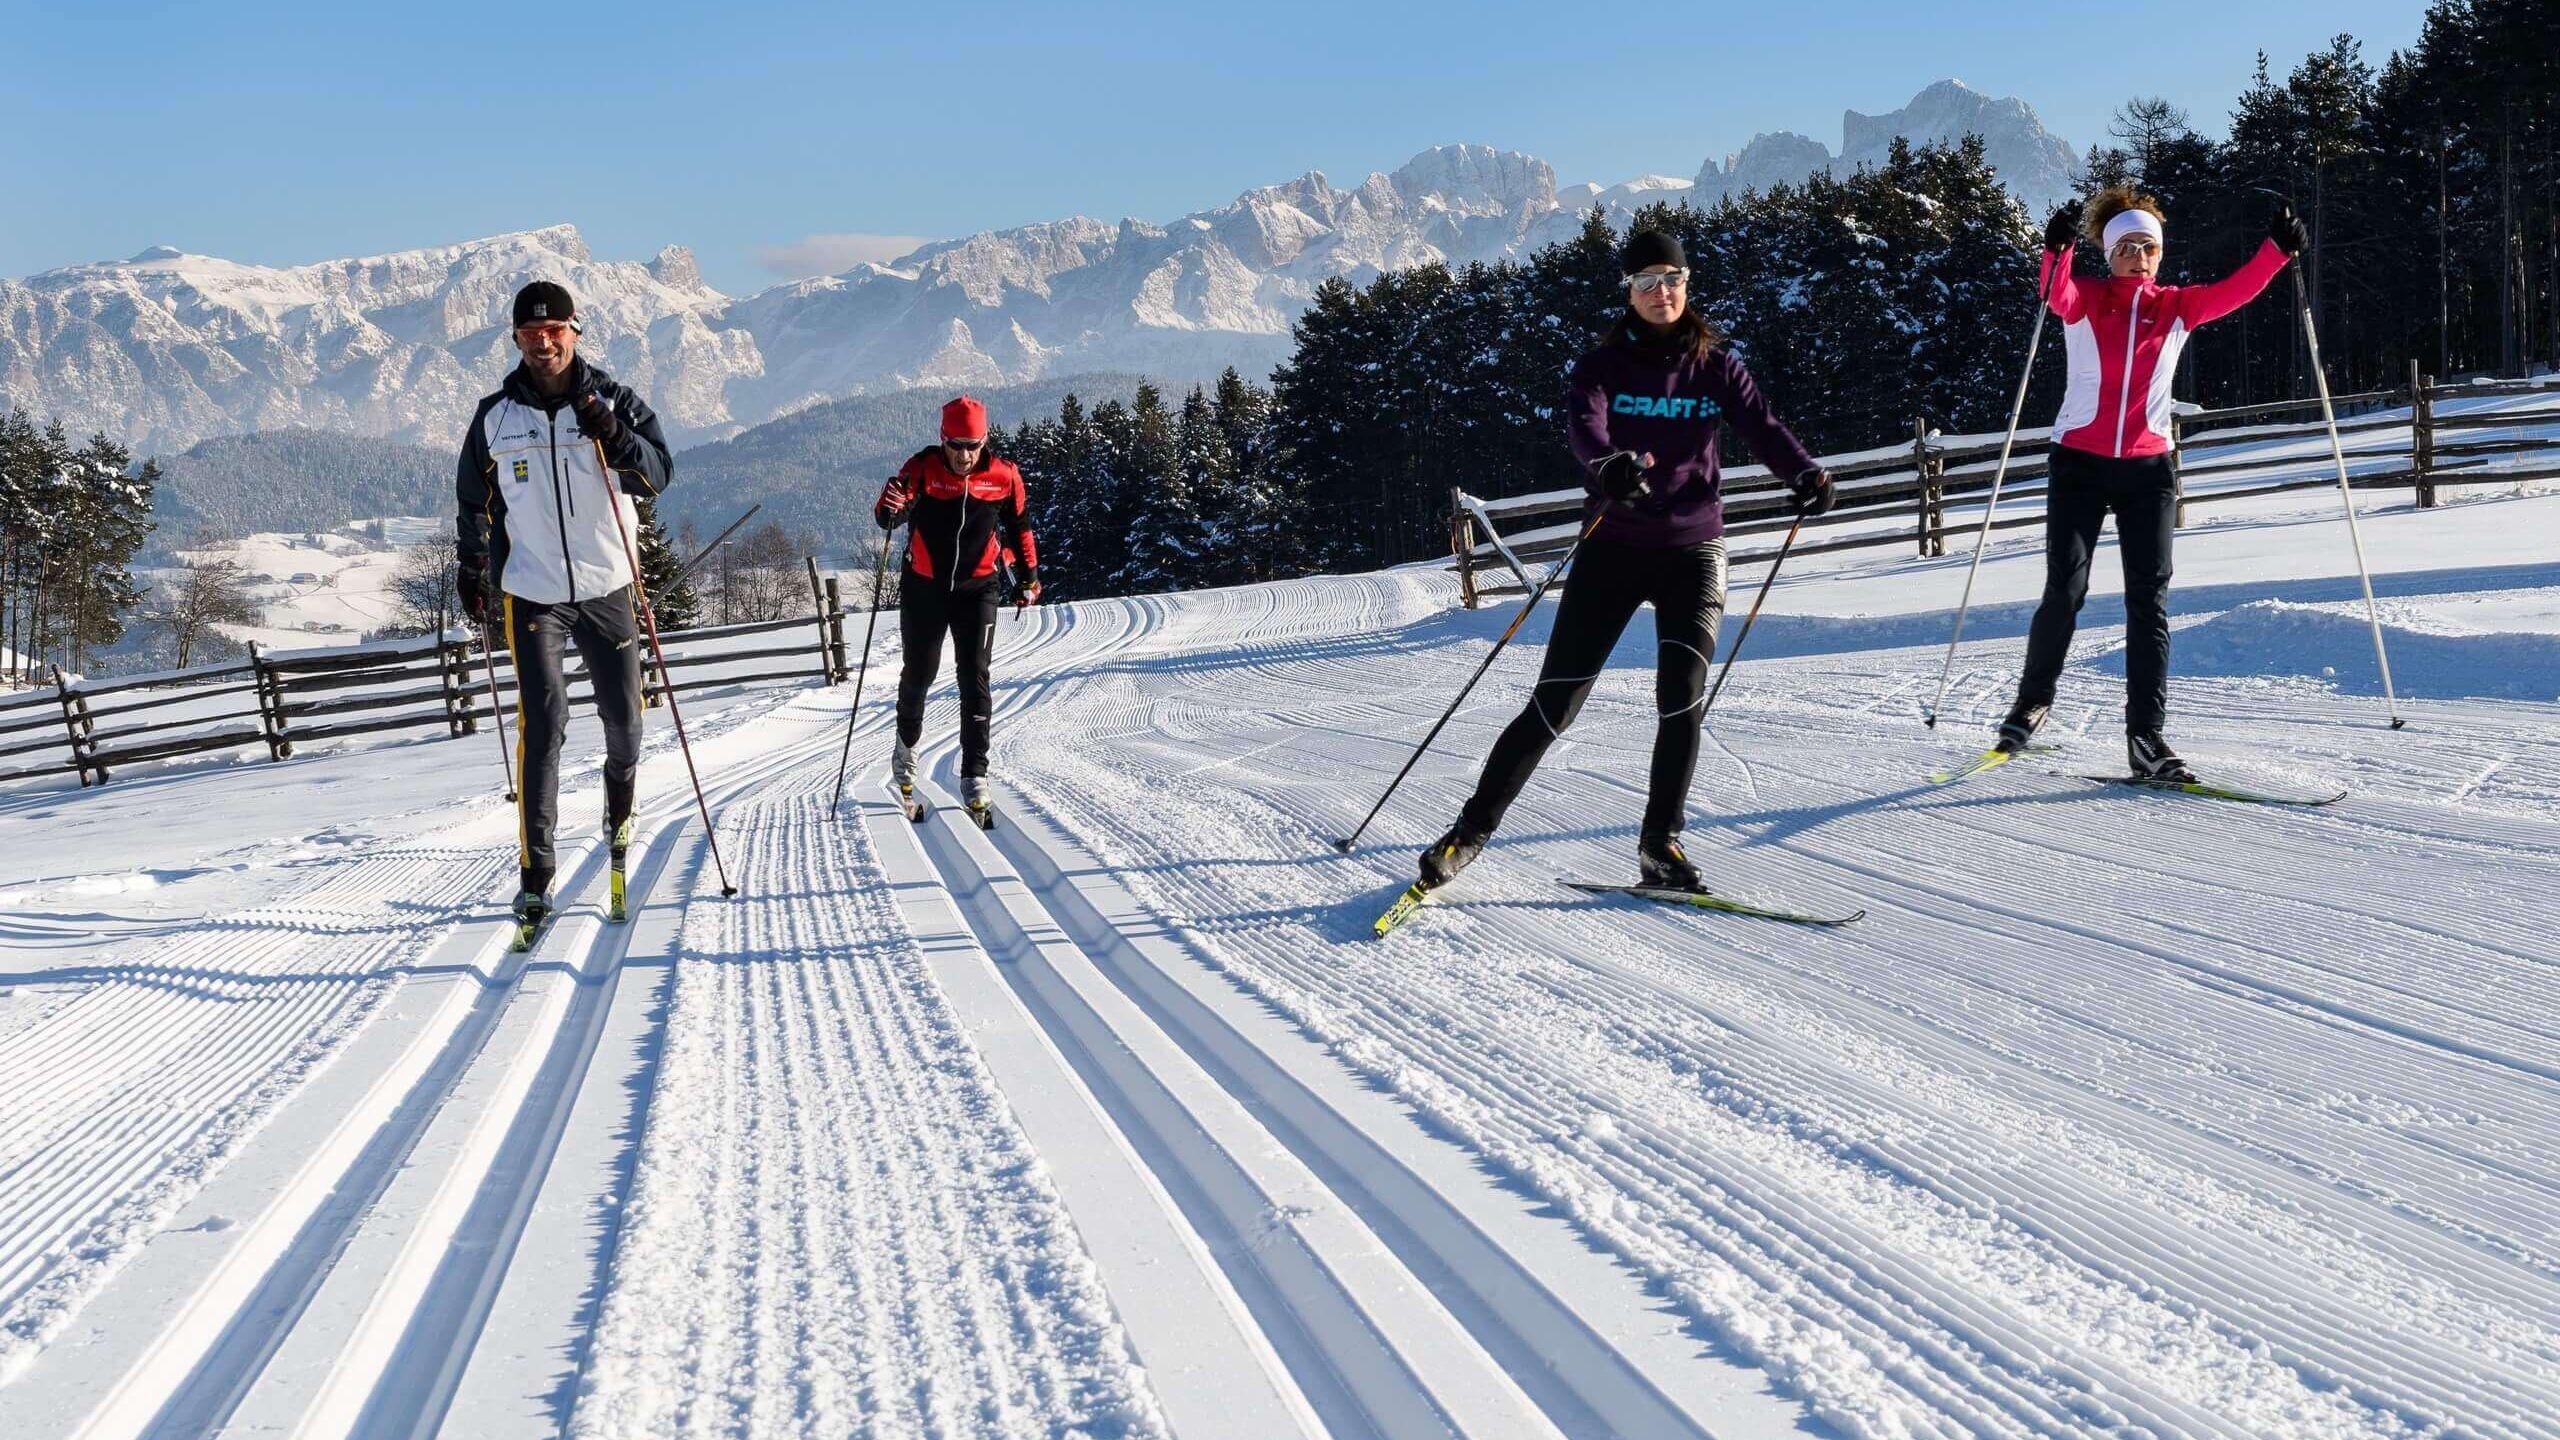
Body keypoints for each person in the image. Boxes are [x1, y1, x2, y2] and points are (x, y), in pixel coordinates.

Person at [1418, 229, 1832, 893]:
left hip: (1694, 552)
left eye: (1671, 278)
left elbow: (1762, 426)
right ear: (1628, 292)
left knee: (1681, 702)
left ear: (1687, 284)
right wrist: (1608, 466)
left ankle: (1659, 846)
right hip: (1612, 549)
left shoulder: (1717, 366)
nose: (1660, 292)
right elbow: (1588, 428)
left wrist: (1804, 472)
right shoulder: (1602, 366)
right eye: (1646, 282)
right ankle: (1466, 835)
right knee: (1554, 705)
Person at [1996, 188, 2306, 782]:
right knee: (2065, 588)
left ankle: (2146, 738)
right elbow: (2053, 292)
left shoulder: (2178, 306)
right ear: (2109, 254)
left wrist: (2277, 252)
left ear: (2161, 255)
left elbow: (2235, 290)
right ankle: (2031, 706)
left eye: (2150, 248)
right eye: (2128, 248)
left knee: (2149, 604)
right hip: (2078, 464)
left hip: (2149, 469)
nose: (2140, 257)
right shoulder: (2084, 299)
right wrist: (2055, 251)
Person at [456, 281, 673, 929]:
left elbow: (655, 477)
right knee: (543, 725)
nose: (543, 344)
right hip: (534, 594)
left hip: (607, 587)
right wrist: (473, 567)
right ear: (517, 340)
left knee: (624, 722)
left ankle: (620, 809)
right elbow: (475, 503)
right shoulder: (494, 418)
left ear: (575, 332)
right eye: (530, 334)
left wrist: (614, 436)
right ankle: (536, 875)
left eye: (554, 333)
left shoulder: (616, 401)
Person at [873, 395, 1040, 822]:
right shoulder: (922, 468)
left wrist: (1029, 578)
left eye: (973, 445)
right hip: (924, 587)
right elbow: (889, 516)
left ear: (985, 441)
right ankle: (905, 756)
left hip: (978, 589)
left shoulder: (1004, 476)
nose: (964, 455)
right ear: (942, 439)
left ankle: (975, 775)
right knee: (921, 672)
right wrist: (889, 505)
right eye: (956, 445)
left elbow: (1020, 528)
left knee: (974, 676)